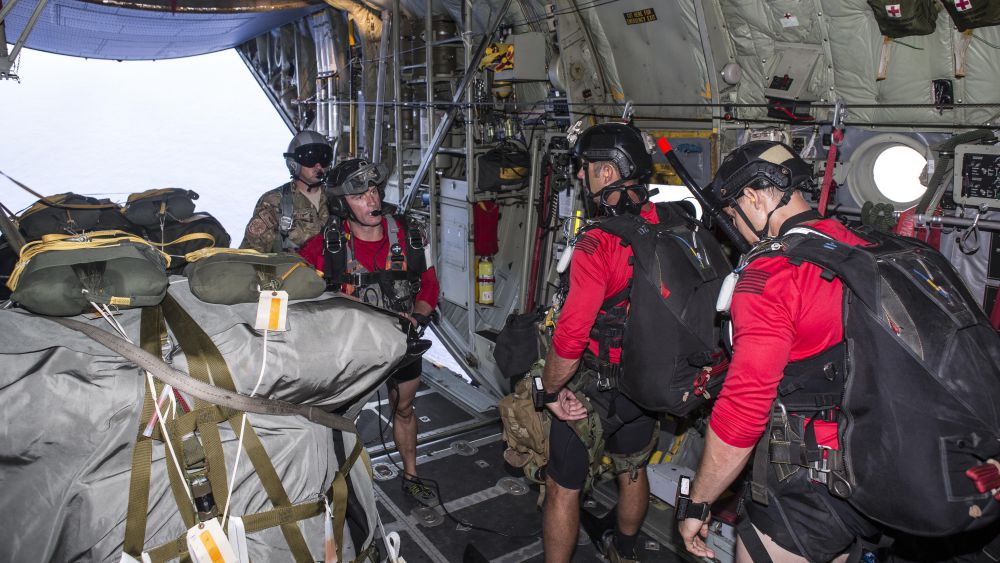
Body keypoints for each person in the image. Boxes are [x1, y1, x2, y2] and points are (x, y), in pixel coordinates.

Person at [678, 140, 881, 561]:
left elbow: (744, 407)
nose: (735, 226)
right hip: (870, 465)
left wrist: (699, 503)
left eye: (733, 213)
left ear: (753, 197)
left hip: (806, 486)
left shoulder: (770, 274)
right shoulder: (857, 247)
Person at [539, 122, 660, 563]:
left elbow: (570, 338)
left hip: (598, 387)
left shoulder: (599, 243)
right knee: (632, 469)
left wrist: (549, 391)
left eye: (586, 167)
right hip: (648, 382)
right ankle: (624, 551)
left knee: (561, 487)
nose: (580, 176)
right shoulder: (666, 224)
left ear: (606, 173)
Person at [298, 158, 441, 505]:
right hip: (350, 353)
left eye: (374, 191)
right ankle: (335, 485)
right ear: (342, 203)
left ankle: (411, 474)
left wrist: (417, 320)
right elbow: (300, 300)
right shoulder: (323, 248)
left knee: (404, 408)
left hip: (402, 343)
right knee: (340, 419)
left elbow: (429, 287)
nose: (372, 201)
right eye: (360, 195)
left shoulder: (410, 236)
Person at [241, 130, 333, 253]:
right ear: (294, 163)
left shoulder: (338, 198)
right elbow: (252, 253)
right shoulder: (274, 202)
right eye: (310, 159)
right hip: (291, 271)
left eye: (324, 158)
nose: (318, 166)